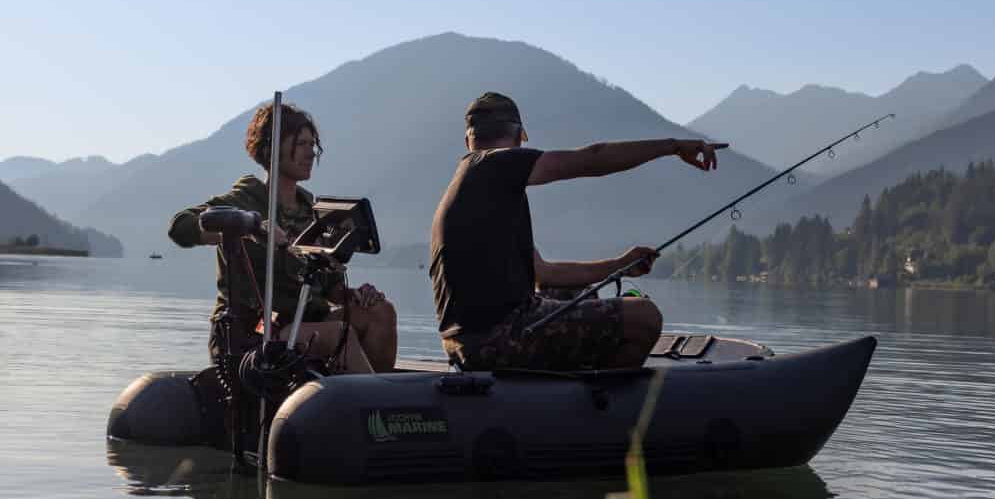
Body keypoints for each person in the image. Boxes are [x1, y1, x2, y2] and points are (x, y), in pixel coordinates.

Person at [428, 91, 724, 371]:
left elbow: (544, 275)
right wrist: (673, 146)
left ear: (468, 140)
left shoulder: (471, 186)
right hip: (497, 340)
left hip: (465, 344)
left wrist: (619, 265)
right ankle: (600, 403)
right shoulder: (496, 164)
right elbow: (592, 158)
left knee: (571, 293)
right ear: (519, 136)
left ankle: (569, 383)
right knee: (645, 317)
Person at [169, 100, 397, 373]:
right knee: (338, 333)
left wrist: (357, 295)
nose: (311, 153)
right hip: (255, 330)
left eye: (312, 145)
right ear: (271, 149)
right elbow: (180, 227)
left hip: (302, 323)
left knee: (381, 313)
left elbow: (331, 289)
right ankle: (370, 409)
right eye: (301, 144)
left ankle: (375, 398)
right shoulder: (244, 199)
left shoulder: (311, 211)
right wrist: (249, 226)